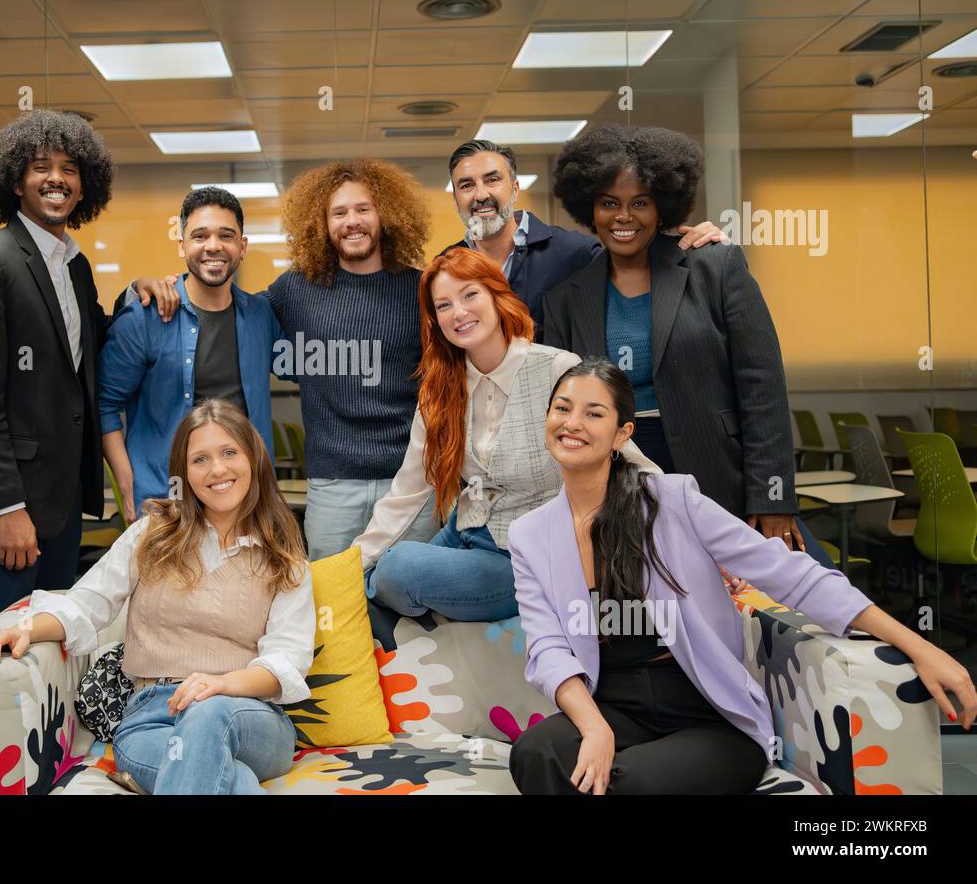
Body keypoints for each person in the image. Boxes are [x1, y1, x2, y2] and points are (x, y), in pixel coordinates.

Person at [508, 358, 976, 794]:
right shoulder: (530, 534)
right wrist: (594, 727)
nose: (572, 423)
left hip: (705, 710)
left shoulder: (672, 500)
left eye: (593, 414)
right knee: (536, 754)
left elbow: (792, 575)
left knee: (634, 785)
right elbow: (547, 647)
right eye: (562, 408)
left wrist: (921, 646)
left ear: (620, 434)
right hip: (611, 703)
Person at [0, 399, 314, 796]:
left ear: (253, 459)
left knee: (208, 715)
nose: (217, 469)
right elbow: (87, 603)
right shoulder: (151, 535)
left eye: (229, 453)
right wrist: (25, 627)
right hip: (152, 718)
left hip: (248, 718)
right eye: (200, 459)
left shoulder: (282, 557)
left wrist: (221, 686)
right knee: (228, 779)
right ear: (184, 473)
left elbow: (287, 659)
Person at [541, 123, 831, 567]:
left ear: (663, 208)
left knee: (797, 597)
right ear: (589, 210)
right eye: (608, 203)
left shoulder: (715, 266)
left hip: (718, 469)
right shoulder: (565, 300)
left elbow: (762, 385)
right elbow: (563, 412)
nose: (624, 217)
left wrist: (773, 498)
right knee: (663, 609)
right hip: (618, 477)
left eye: (640, 202)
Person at [129, 160, 442, 560]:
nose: (352, 221)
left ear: (387, 215)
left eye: (364, 209)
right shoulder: (295, 290)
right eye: (339, 212)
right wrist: (141, 286)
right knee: (329, 601)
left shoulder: (421, 290)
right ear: (322, 223)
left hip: (412, 480)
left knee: (409, 595)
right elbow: (223, 306)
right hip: (332, 485)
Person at [352, 249, 658, 622]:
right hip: (465, 529)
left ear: (497, 297)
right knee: (370, 580)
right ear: (435, 320)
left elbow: (631, 461)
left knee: (398, 568)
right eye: (444, 305)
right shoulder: (440, 388)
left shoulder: (558, 369)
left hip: (531, 555)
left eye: (470, 295)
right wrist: (349, 564)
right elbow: (409, 489)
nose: (459, 312)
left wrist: (699, 538)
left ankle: (448, 610)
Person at [0, 110, 114, 639]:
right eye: (41, 167)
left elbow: (87, 351)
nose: (56, 178)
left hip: (60, 508)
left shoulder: (75, 266)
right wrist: (8, 509)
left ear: (85, 185)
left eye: (69, 168)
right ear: (15, 180)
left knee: (42, 652)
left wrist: (142, 294)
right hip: (10, 511)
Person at [97, 186, 281, 520]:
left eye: (226, 235)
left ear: (242, 247)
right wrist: (127, 488)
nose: (213, 245)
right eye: (200, 236)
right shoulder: (145, 318)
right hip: (166, 501)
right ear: (182, 246)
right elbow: (104, 405)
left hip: (248, 499)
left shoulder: (261, 316)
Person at [440, 138, 724, 340]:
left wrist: (695, 246)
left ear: (514, 189)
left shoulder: (575, 253)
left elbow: (639, 270)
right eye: (466, 185)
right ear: (456, 199)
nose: (480, 195)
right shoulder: (445, 268)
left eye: (492, 180)